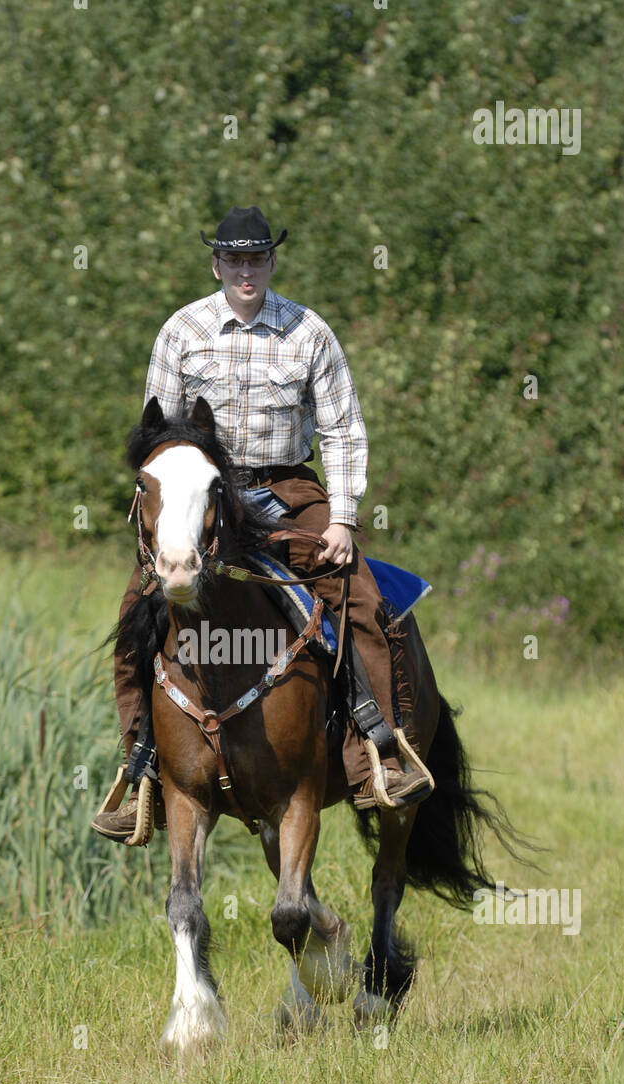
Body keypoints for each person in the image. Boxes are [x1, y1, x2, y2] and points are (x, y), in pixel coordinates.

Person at [92, 205, 432, 843]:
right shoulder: (180, 332)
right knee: (136, 611)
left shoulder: (309, 332)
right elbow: (156, 436)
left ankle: (379, 755)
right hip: (203, 494)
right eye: (234, 260)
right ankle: (141, 766)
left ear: (272, 261)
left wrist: (344, 521)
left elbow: (341, 428)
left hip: (289, 485)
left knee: (358, 594)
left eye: (257, 259)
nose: (246, 271)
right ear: (215, 263)